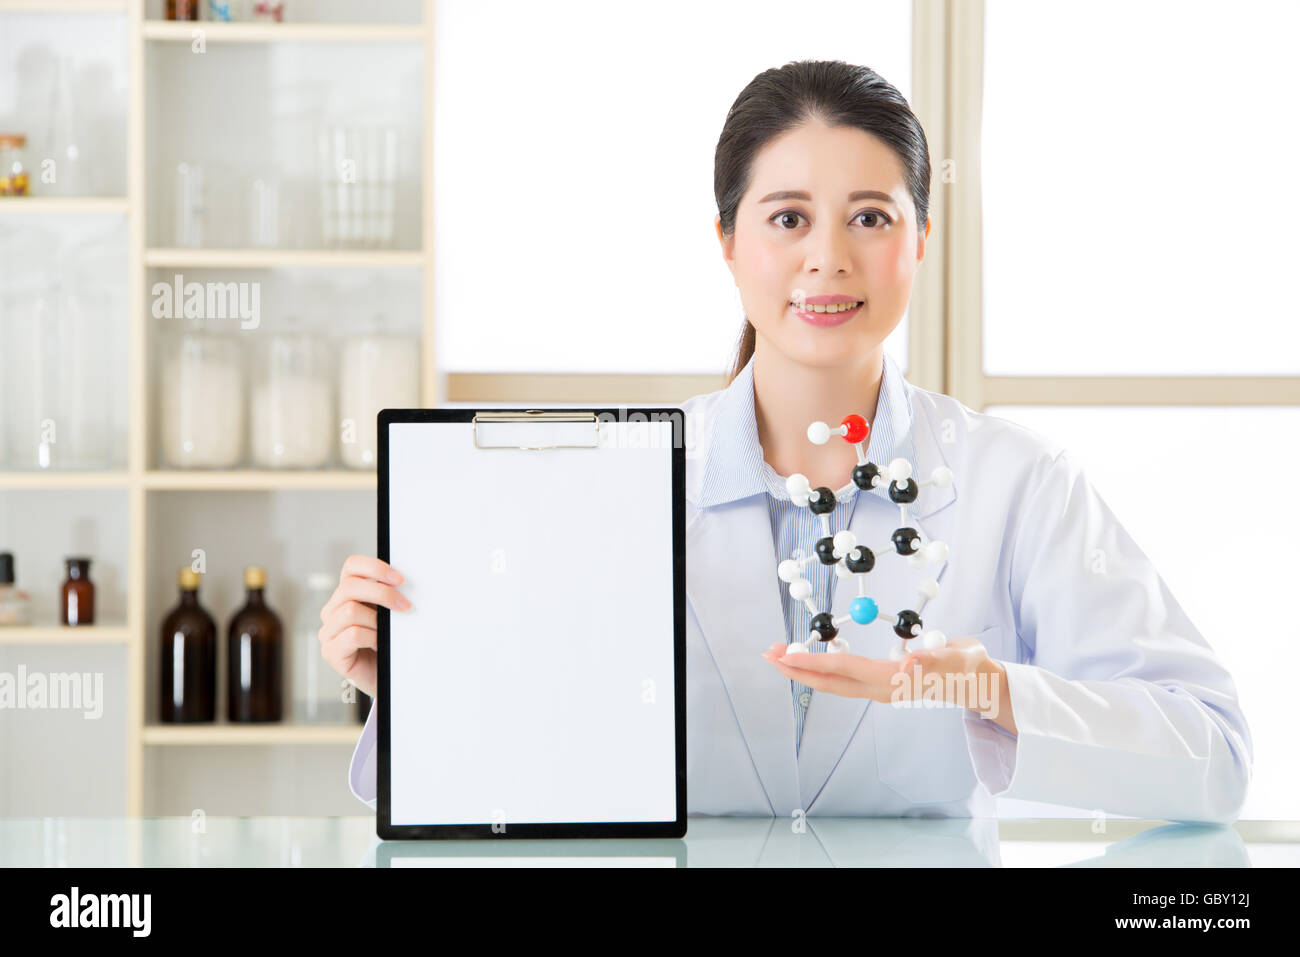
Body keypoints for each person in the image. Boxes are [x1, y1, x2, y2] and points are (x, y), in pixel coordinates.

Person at [318, 60, 1251, 823]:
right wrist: (419, 679)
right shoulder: (609, 481)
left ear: (922, 238)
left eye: (872, 218)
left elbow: (1213, 755)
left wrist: (990, 690)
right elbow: (530, 760)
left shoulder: (1015, 482)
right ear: (727, 240)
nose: (828, 258)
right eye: (789, 217)